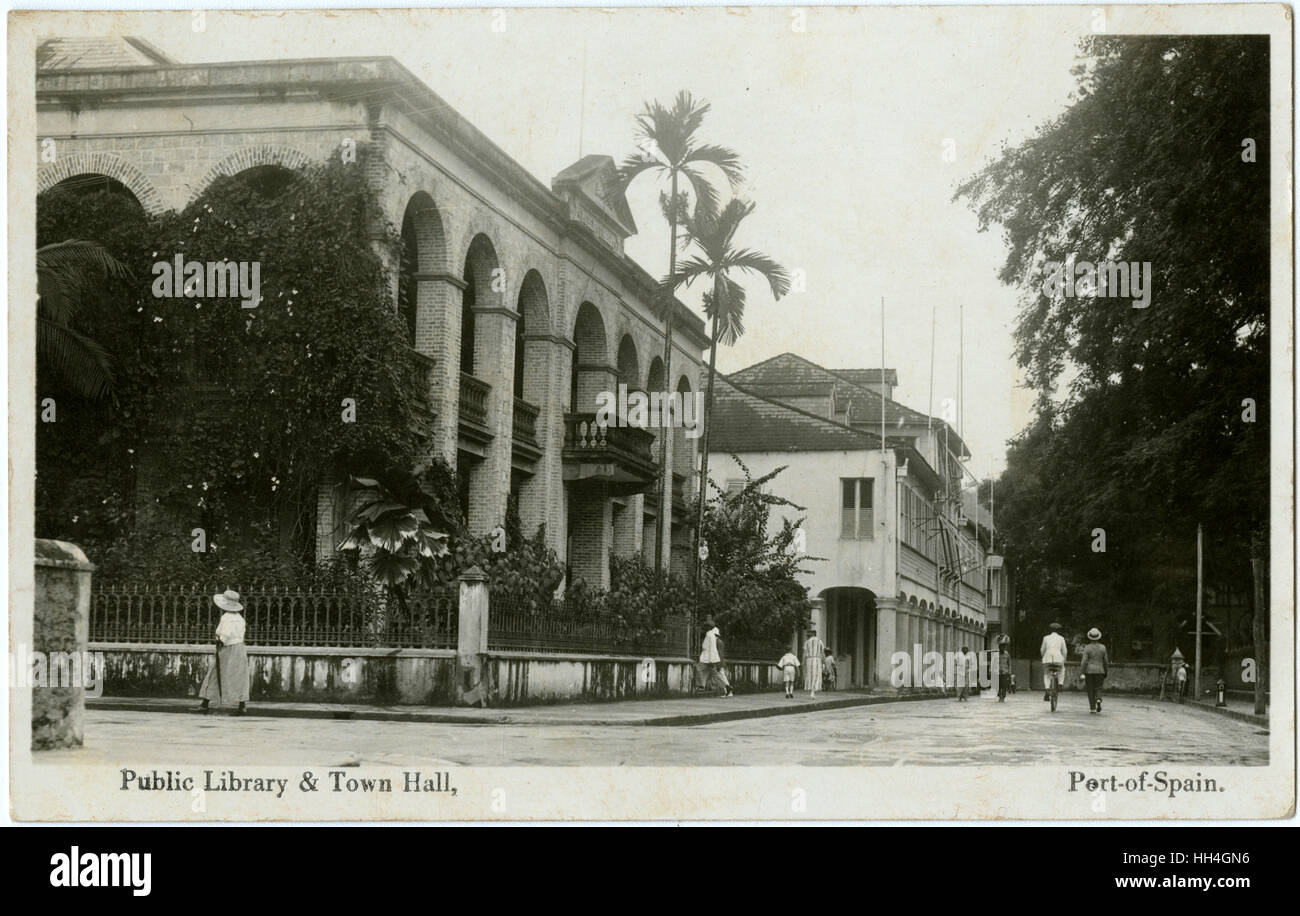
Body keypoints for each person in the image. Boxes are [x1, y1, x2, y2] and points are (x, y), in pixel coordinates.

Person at [196, 589, 250, 716]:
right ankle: (242, 706)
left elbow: (225, 634)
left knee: (215, 673)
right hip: (239, 648)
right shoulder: (240, 618)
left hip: (227, 648)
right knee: (239, 677)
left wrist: (220, 641)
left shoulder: (226, 617)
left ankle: (205, 704)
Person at [699, 619, 734, 698]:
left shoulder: (718, 642)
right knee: (719, 676)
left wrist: (719, 664)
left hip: (717, 661)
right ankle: (727, 690)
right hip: (715, 661)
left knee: (720, 676)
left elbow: (720, 654)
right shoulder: (715, 640)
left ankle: (728, 690)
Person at [1080, 627, 1109, 713]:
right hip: (1100, 670)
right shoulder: (1103, 647)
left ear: (1090, 637)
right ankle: (1099, 699)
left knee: (1090, 689)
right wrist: (1106, 671)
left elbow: (1084, 661)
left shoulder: (1087, 648)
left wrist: (1082, 672)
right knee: (1099, 687)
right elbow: (1106, 661)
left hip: (1089, 671)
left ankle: (1092, 707)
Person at [1040, 622, 1067, 703]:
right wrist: (1064, 660)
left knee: (1046, 674)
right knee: (1062, 670)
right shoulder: (1061, 638)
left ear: (1050, 630)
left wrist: (1043, 658)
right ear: (1059, 630)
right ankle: (1060, 684)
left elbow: (1042, 650)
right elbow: (1064, 651)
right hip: (1058, 659)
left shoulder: (1045, 638)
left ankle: (1047, 689)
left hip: (1047, 659)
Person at [802, 627, 825, 698]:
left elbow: (805, 653)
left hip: (809, 659)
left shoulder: (807, 642)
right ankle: (813, 691)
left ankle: (811, 691)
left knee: (810, 675)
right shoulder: (820, 642)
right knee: (817, 675)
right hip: (817, 659)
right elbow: (822, 653)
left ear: (812, 634)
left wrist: (803, 661)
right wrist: (823, 662)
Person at [996, 637, 1012, 702]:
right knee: (998, 685)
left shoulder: (1007, 654)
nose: (1001, 648)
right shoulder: (996, 655)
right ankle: (1000, 696)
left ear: (1004, 648)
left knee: (1004, 685)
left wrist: (1009, 672)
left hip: (1005, 672)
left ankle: (1003, 697)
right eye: (1000, 647)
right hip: (997, 672)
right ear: (999, 647)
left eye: (1003, 647)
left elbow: (1009, 664)